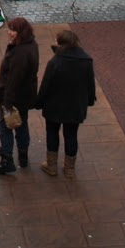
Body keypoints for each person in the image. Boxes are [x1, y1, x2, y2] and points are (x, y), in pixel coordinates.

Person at [35, 28, 96, 178]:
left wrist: (39, 102)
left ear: (61, 43)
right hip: (75, 106)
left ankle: (52, 166)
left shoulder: (56, 62)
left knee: (52, 133)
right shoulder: (86, 61)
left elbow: (46, 84)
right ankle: (69, 169)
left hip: (54, 106)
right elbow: (90, 84)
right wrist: (89, 101)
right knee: (71, 135)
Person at [0, 16, 40, 175]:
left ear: (20, 32)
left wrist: (7, 103)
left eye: (13, 30)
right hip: (25, 97)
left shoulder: (19, 53)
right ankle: (23, 155)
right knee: (22, 124)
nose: (9, 33)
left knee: (5, 126)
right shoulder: (31, 45)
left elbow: (13, 80)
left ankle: (7, 160)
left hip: (13, 98)